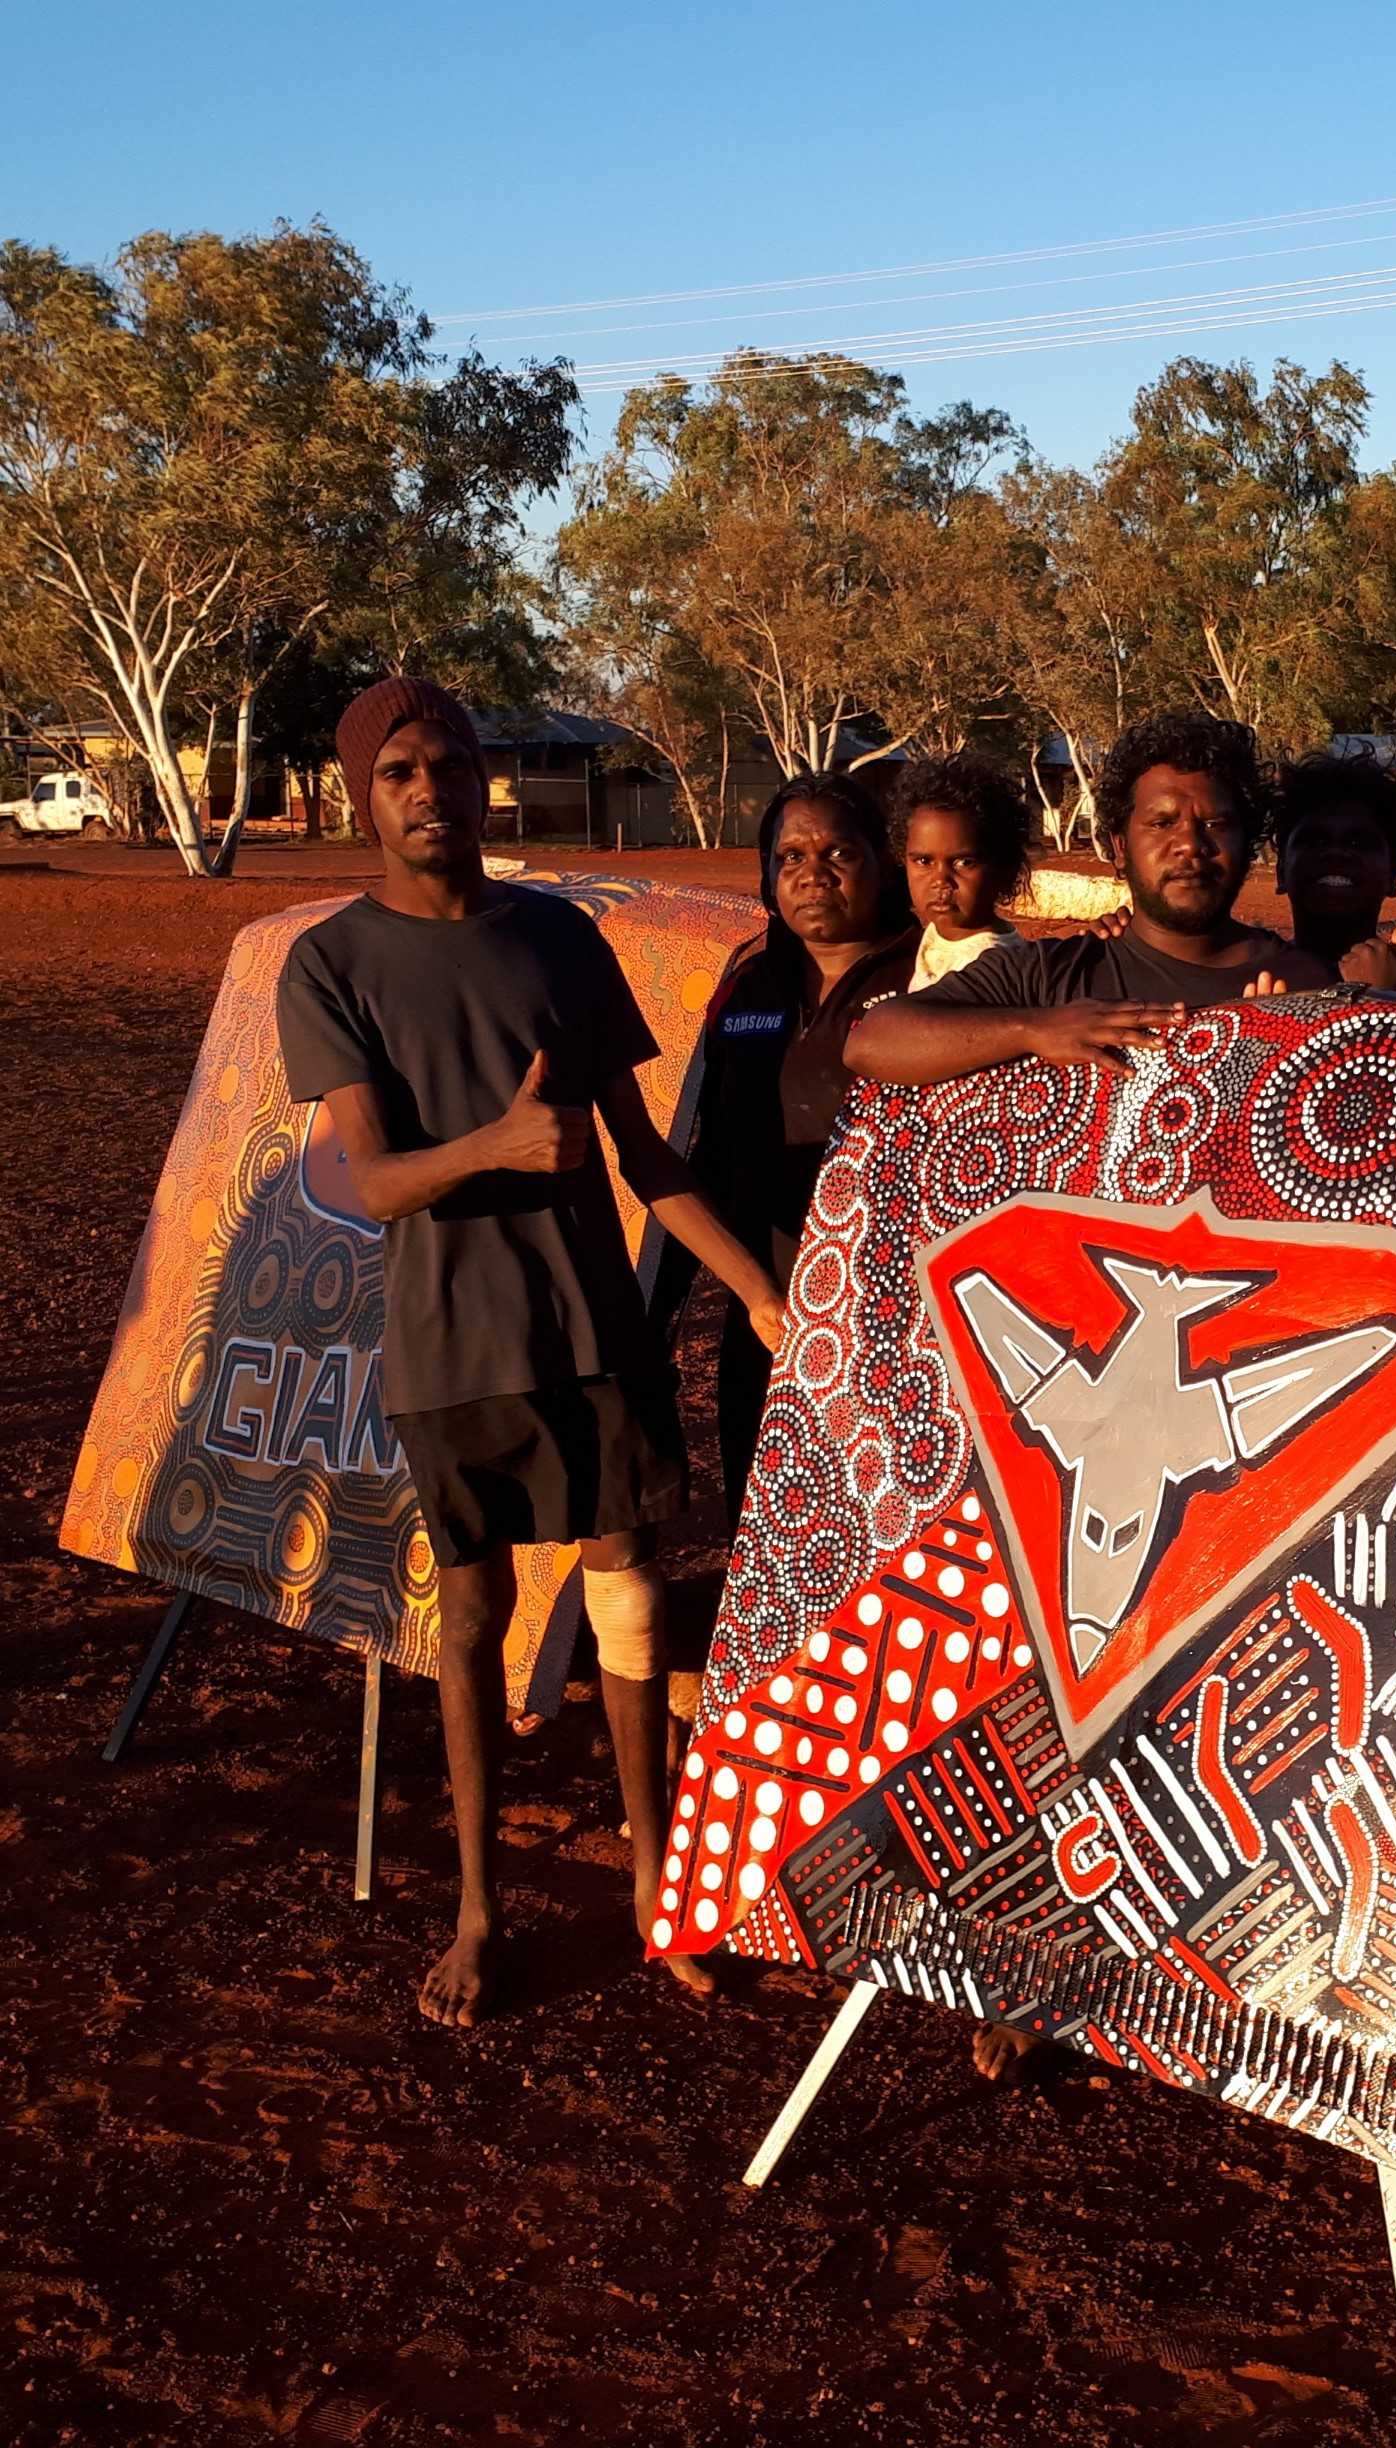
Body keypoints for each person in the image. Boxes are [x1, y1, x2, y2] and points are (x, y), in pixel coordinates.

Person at [276, 678, 787, 2027]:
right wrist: (494, 1147)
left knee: (626, 1588)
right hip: (455, 1349)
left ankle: (651, 1879)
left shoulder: (559, 938)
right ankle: (479, 1906)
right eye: (397, 771)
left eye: (447, 762)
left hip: (593, 1333)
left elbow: (649, 1157)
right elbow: (366, 1180)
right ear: (357, 796)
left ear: (481, 775)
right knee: (475, 1619)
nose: (427, 788)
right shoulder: (330, 961)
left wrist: (761, 1292)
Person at [847, 711, 1332, 1083]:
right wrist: (1034, 1030)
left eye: (1215, 824)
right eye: (1162, 823)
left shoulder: (1303, 981)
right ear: (1120, 849)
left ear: (1245, 844)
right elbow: (873, 1040)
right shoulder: (1047, 975)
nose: (1190, 844)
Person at [689, 770, 920, 1510]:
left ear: (882, 864)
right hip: (766, 1315)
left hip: (896, 1318)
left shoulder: (938, 975)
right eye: (789, 856)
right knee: (759, 1522)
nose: (810, 874)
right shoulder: (747, 988)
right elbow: (708, 1154)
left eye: (837, 853)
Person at [1269, 747, 1396, 982]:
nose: (1336, 853)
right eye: (1315, 840)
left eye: (1358, 842)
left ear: (1393, 874)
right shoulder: (1253, 983)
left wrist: (1381, 998)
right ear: (1281, 871)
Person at [897, 754, 1034, 990]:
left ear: (1005, 869)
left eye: (964, 862)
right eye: (923, 860)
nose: (940, 880)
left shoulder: (997, 969)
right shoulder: (932, 936)